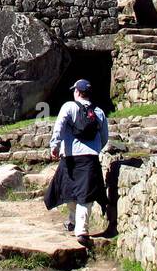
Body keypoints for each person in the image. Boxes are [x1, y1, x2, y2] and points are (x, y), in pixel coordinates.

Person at [44, 80, 109, 245]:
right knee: (85, 195)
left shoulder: (69, 107)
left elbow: (58, 127)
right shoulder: (99, 112)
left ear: (77, 93)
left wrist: (55, 146)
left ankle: (76, 225)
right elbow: (104, 137)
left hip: (71, 157)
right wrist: (95, 149)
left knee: (69, 190)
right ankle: (80, 228)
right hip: (90, 158)